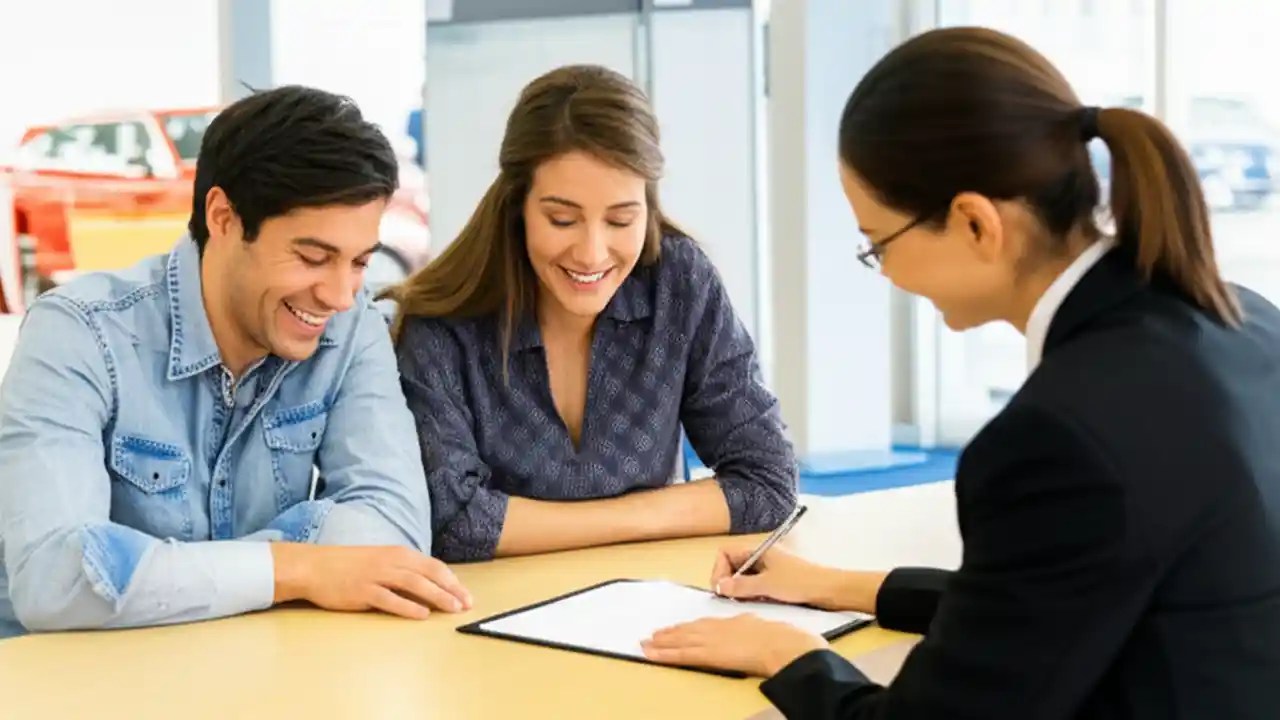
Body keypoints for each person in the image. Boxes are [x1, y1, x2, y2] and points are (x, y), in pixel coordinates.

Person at [640, 26, 1280, 718]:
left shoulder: (1060, 436)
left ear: (975, 223)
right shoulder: (1243, 318)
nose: (883, 271)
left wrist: (786, 657)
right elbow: (1061, 590)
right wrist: (839, 586)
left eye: (876, 243)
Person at [0, 86, 472, 639]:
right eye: (313, 257)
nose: (341, 294)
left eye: (360, 262)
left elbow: (395, 532)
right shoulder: (79, 334)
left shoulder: (349, 327)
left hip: (256, 670)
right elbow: (57, 583)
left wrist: (165, 575)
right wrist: (301, 567)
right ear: (223, 217)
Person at [384, 65, 797, 562]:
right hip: (489, 615)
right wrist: (654, 512)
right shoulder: (443, 324)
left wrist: (557, 522)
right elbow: (451, 522)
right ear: (518, 205)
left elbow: (769, 482)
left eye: (621, 219)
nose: (592, 253)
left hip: (645, 601)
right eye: (562, 219)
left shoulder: (678, 281)